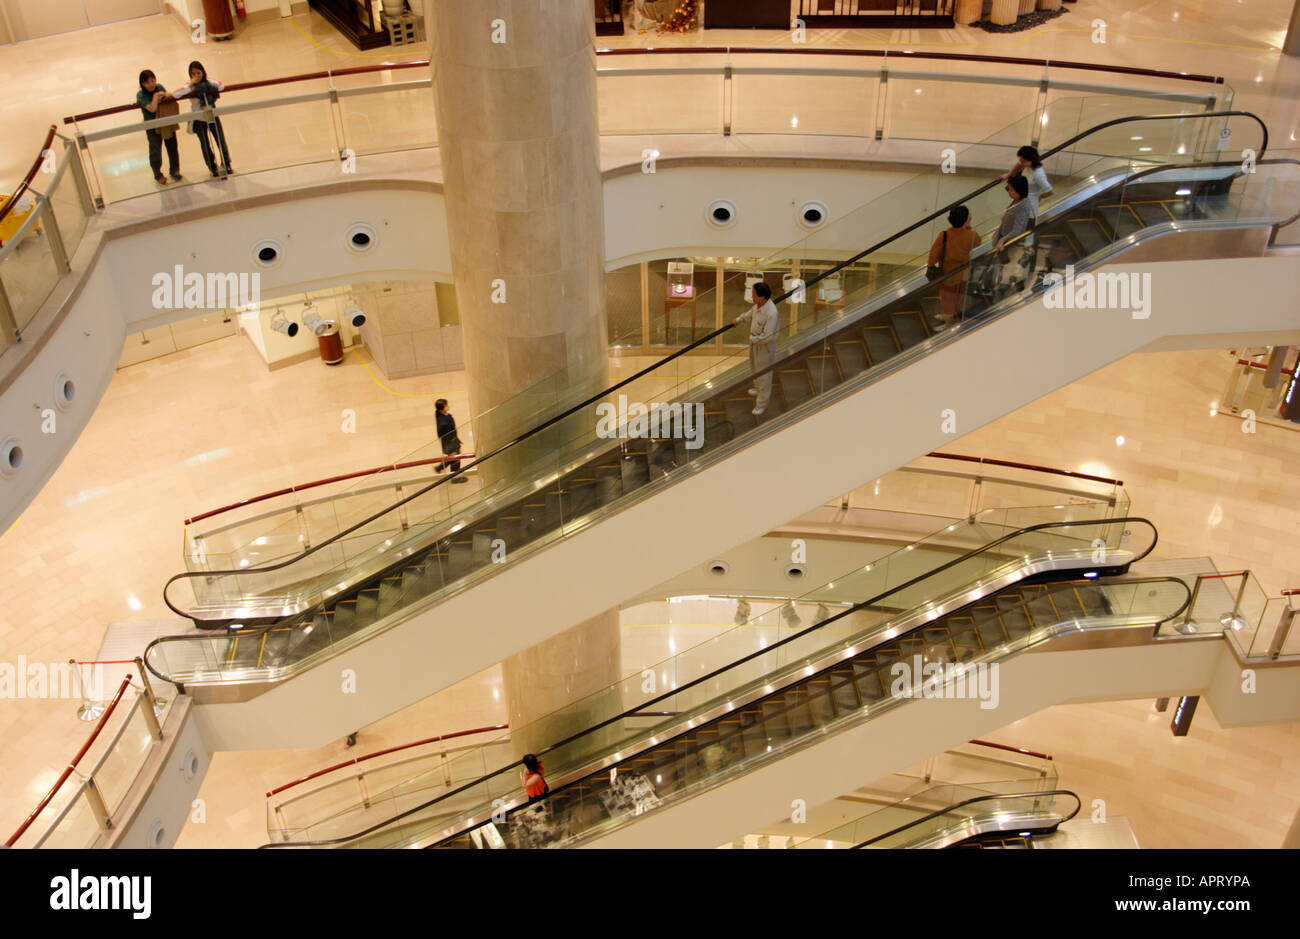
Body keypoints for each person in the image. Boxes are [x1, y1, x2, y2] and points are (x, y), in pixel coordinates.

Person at [173, 60, 232, 179]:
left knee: (220, 140)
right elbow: (176, 94)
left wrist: (207, 86)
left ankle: (226, 164)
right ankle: (212, 167)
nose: (196, 76)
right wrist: (191, 86)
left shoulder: (209, 82)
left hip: (212, 114)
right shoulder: (188, 85)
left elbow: (221, 86)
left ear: (203, 72)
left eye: (198, 73)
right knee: (205, 144)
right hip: (198, 118)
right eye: (193, 74)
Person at [927, 205, 982, 325]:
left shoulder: (944, 235)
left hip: (947, 275)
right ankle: (955, 317)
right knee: (959, 297)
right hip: (964, 273)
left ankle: (949, 324)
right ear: (965, 220)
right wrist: (968, 226)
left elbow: (933, 255)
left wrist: (931, 265)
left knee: (947, 300)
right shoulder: (971, 235)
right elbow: (978, 243)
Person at [732, 281, 778, 417]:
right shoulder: (758, 306)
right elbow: (748, 315)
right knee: (754, 369)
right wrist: (737, 320)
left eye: (754, 295)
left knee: (764, 376)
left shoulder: (772, 313)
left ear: (762, 297)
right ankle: (757, 389)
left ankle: (761, 404)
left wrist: (752, 338)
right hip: (755, 344)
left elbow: (767, 337)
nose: (752, 297)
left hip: (764, 348)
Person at [136, 70, 181, 185]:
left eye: (153, 81)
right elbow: (152, 108)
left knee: (172, 145)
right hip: (152, 125)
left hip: (165, 121)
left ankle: (175, 170)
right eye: (147, 82)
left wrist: (165, 95)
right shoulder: (141, 95)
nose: (151, 84)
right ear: (142, 84)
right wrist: (156, 96)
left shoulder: (159, 86)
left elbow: (168, 96)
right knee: (155, 149)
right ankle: (158, 174)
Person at [993, 175, 1036, 295]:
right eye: (1008, 189)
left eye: (1011, 190)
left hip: (1011, 243)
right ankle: (1006, 284)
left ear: (1019, 190)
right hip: (1005, 238)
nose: (1009, 192)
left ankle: (1009, 286)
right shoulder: (1017, 201)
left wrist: (1003, 240)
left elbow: (1018, 230)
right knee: (1005, 265)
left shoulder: (1023, 206)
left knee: (1010, 265)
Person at [1001, 145, 1053, 222]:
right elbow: (1018, 164)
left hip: (1029, 206)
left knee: (1017, 223)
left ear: (1031, 160)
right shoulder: (1028, 166)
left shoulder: (1038, 175)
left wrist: (1039, 197)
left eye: (1023, 161)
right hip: (1020, 199)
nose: (1021, 163)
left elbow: (1050, 192)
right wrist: (1008, 174)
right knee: (1006, 219)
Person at [434, 398, 468, 483]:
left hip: (453, 442)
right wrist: (451, 449)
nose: (448, 406)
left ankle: (439, 468)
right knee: (455, 460)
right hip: (451, 444)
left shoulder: (443, 415)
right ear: (441, 409)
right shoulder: (443, 424)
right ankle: (455, 478)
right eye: (446, 405)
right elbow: (445, 436)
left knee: (453, 459)